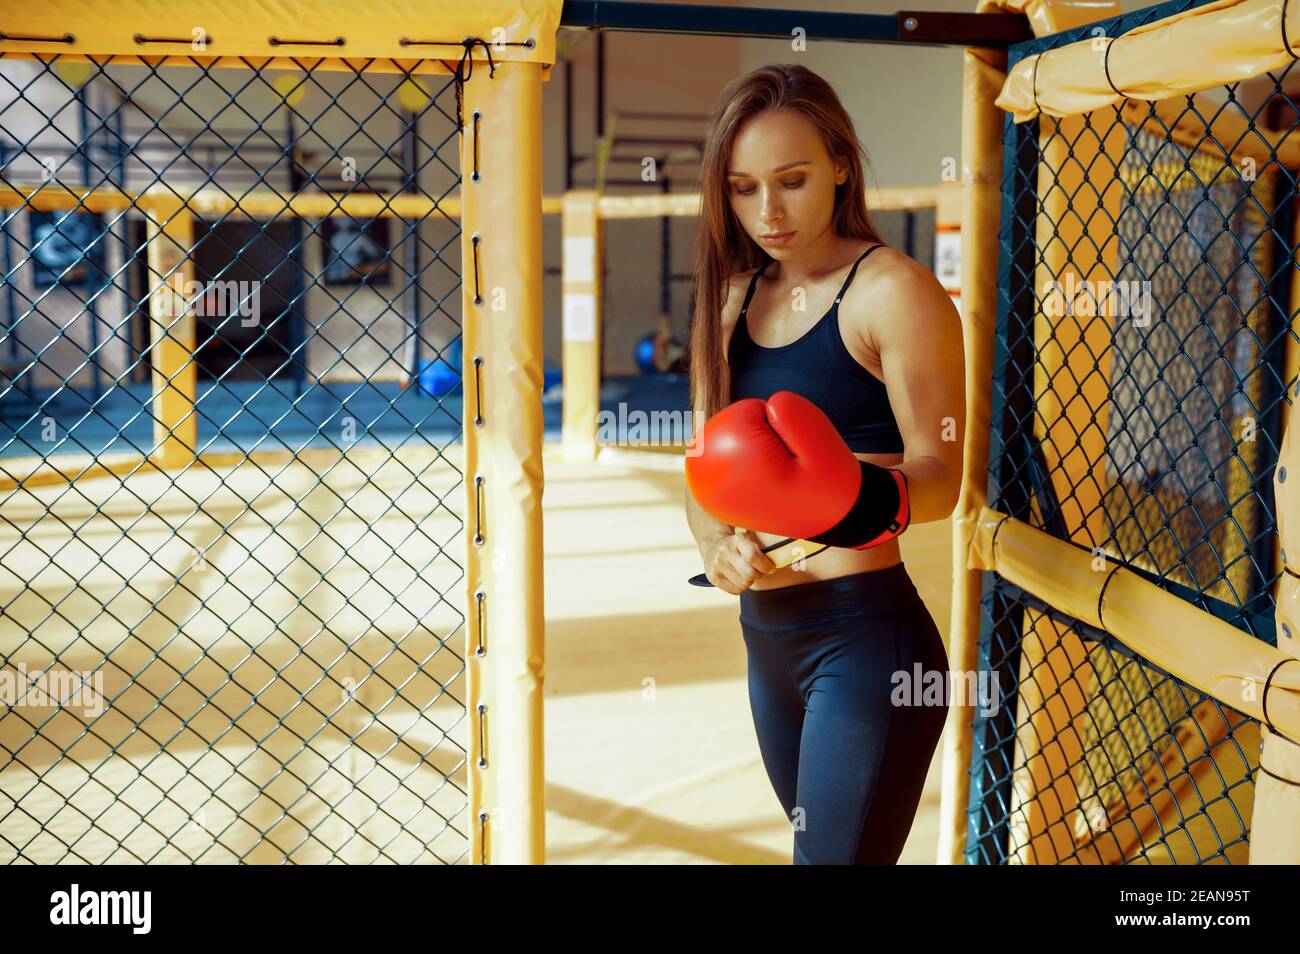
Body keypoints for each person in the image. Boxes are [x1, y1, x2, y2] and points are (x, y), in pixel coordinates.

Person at [683, 63, 965, 864]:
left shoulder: (893, 292)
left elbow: (943, 477)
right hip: (766, 638)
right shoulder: (731, 295)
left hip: (868, 642)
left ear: (841, 164)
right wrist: (716, 545)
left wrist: (848, 498)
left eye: (791, 180)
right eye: (741, 188)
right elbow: (700, 465)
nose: (767, 211)